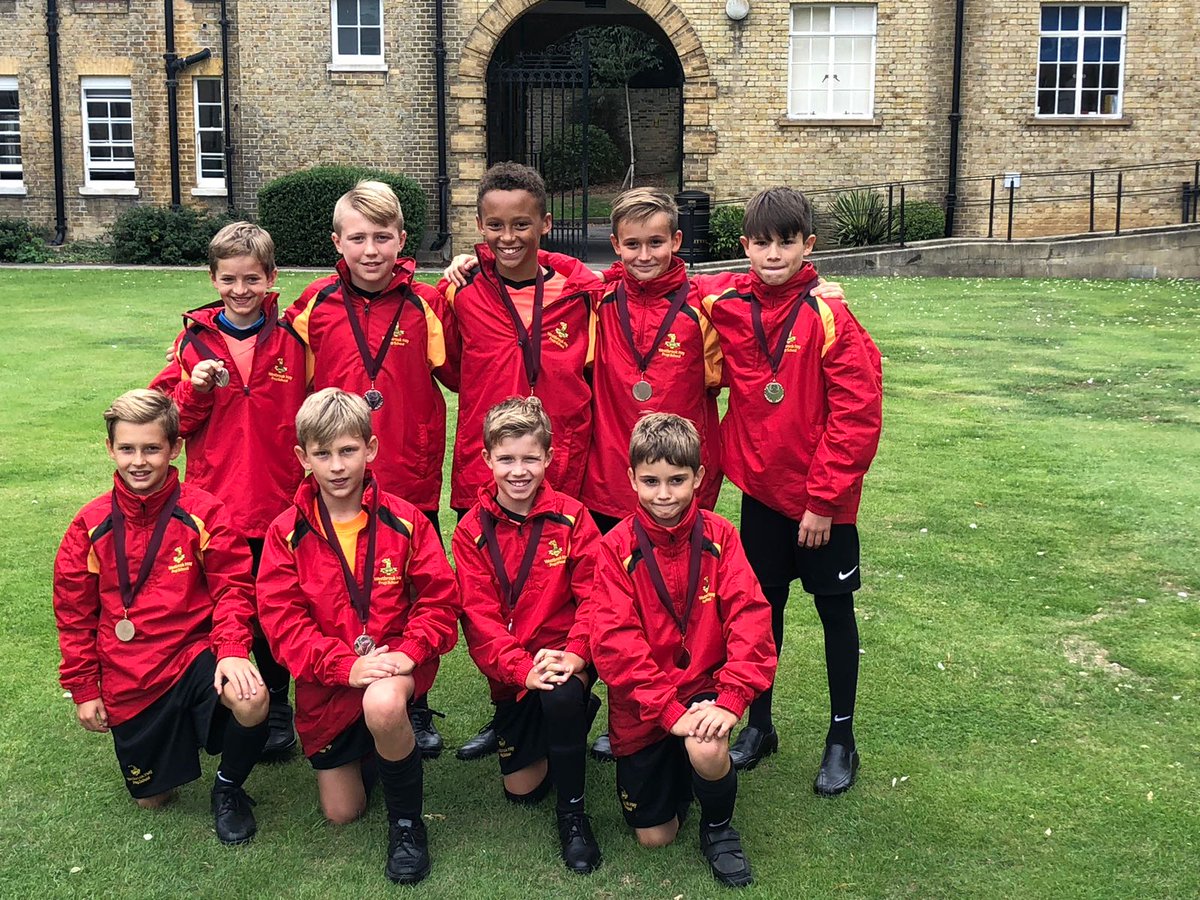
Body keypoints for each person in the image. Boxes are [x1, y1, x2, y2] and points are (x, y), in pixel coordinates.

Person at [698, 187, 883, 794]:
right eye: (762, 242)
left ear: (809, 245)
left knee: (835, 613)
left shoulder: (829, 313)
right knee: (760, 612)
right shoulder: (726, 301)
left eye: (786, 242)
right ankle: (761, 725)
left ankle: (841, 739)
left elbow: (857, 414)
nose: (773, 254)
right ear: (745, 246)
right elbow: (651, 280)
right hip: (762, 494)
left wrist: (823, 502)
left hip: (823, 504)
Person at [255, 388, 460, 885]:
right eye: (322, 453)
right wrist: (345, 666)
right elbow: (282, 624)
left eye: (348, 450)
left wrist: (409, 652)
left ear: (370, 448)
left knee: (384, 705)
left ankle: (407, 825)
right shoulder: (285, 532)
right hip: (328, 683)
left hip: (392, 667)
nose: (337, 466)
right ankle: (381, 749)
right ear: (303, 457)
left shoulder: (407, 520)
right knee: (342, 812)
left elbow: (439, 601)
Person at [286, 180, 458, 757]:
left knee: (411, 594)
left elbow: (463, 370)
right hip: (339, 481)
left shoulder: (426, 304)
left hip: (408, 477)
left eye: (383, 237)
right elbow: (271, 358)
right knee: (342, 589)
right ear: (337, 241)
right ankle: (329, 696)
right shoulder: (314, 305)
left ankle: (414, 702)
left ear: (402, 240)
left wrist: (470, 274)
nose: (371, 250)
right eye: (357, 238)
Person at [52, 389, 268, 845]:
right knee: (153, 799)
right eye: (127, 448)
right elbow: (74, 615)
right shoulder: (88, 525)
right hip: (129, 674)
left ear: (175, 448)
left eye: (151, 448)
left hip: (192, 656)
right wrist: (84, 688)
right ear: (110, 448)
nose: (139, 461)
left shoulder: (205, 512)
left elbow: (233, 588)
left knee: (250, 697)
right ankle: (175, 738)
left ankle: (228, 788)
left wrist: (232, 649)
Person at [438, 162, 601, 761]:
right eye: (495, 226)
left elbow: (656, 281)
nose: (508, 237)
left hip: (561, 465)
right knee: (497, 597)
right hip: (487, 468)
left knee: (560, 591)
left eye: (522, 224)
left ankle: (568, 698)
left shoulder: (582, 292)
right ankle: (508, 711)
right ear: (479, 226)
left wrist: (814, 287)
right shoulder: (459, 292)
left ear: (545, 224)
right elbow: (449, 366)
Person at [591, 413, 776, 888]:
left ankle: (718, 828)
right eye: (651, 481)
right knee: (656, 837)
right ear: (632, 479)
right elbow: (615, 643)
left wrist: (731, 698)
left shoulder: (721, 536)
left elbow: (751, 618)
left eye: (676, 480)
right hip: (644, 704)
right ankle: (680, 771)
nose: (664, 494)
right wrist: (666, 710)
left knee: (707, 747)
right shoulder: (614, 547)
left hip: (704, 690)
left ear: (698, 477)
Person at [150, 221, 308, 759]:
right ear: (212, 278)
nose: (241, 290)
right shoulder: (191, 342)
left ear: (271, 277)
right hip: (213, 506)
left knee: (274, 609)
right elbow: (166, 425)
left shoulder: (294, 338)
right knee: (216, 604)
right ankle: (218, 700)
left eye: (252, 279)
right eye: (229, 279)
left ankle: (277, 703)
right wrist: (193, 391)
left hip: (279, 502)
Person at [453, 396, 604, 875]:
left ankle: (573, 815)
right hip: (514, 671)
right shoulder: (470, 531)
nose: (519, 471)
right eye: (507, 459)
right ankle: (559, 720)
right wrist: (521, 669)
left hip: (564, 659)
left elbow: (596, 597)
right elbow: (479, 619)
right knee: (522, 791)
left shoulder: (574, 517)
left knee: (561, 696)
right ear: (486, 458)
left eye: (530, 459)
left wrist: (576, 654)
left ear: (549, 457)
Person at [584, 187, 724, 533]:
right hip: (609, 482)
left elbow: (765, 295)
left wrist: (812, 288)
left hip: (679, 483)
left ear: (676, 240)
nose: (644, 255)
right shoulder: (598, 301)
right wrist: (472, 263)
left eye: (656, 243)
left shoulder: (705, 305)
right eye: (633, 244)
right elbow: (537, 278)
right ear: (616, 245)